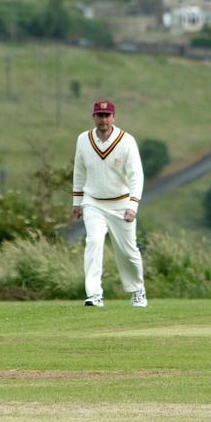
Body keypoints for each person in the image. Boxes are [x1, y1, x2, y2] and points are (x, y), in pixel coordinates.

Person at [71, 99, 147, 308]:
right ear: (93, 117)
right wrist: (77, 202)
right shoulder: (83, 140)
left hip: (121, 204)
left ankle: (137, 290)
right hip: (93, 202)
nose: (103, 120)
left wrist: (133, 206)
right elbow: (79, 170)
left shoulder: (126, 141)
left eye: (107, 116)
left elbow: (136, 176)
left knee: (128, 251)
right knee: (93, 243)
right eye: (99, 115)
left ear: (114, 117)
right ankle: (94, 294)